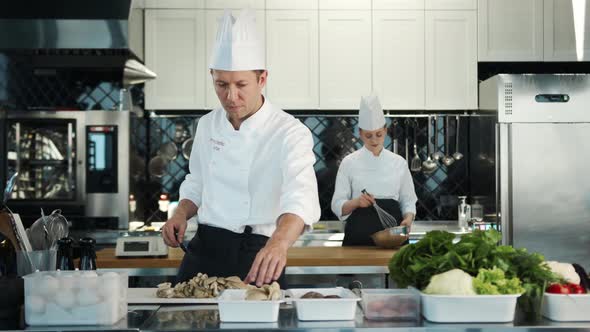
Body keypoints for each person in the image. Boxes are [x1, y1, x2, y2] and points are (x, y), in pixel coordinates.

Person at [160, 9, 321, 287]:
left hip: (257, 252)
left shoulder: (290, 132)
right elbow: (196, 181)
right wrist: (180, 214)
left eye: (241, 84)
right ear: (211, 76)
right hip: (205, 248)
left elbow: (300, 195)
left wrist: (279, 243)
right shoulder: (207, 125)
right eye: (221, 84)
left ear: (262, 79)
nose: (231, 96)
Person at [331, 95, 417, 246]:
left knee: (395, 269)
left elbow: (408, 200)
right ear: (360, 133)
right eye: (368, 136)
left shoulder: (399, 163)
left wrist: (408, 219)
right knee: (356, 270)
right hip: (358, 237)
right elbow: (337, 205)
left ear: (385, 130)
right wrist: (356, 202)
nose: (374, 140)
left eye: (379, 134)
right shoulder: (349, 163)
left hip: (394, 236)